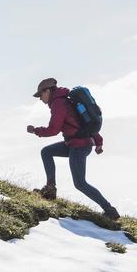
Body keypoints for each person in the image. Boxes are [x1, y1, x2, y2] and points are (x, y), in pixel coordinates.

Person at [26, 78, 119, 220]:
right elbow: (82, 122)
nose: (40, 99)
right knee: (46, 152)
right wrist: (98, 141)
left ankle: (110, 210)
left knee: (80, 183)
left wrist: (35, 130)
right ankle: (50, 189)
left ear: (48, 91)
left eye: (40, 94)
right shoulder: (66, 100)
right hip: (75, 144)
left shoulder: (58, 103)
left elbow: (53, 130)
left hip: (79, 146)